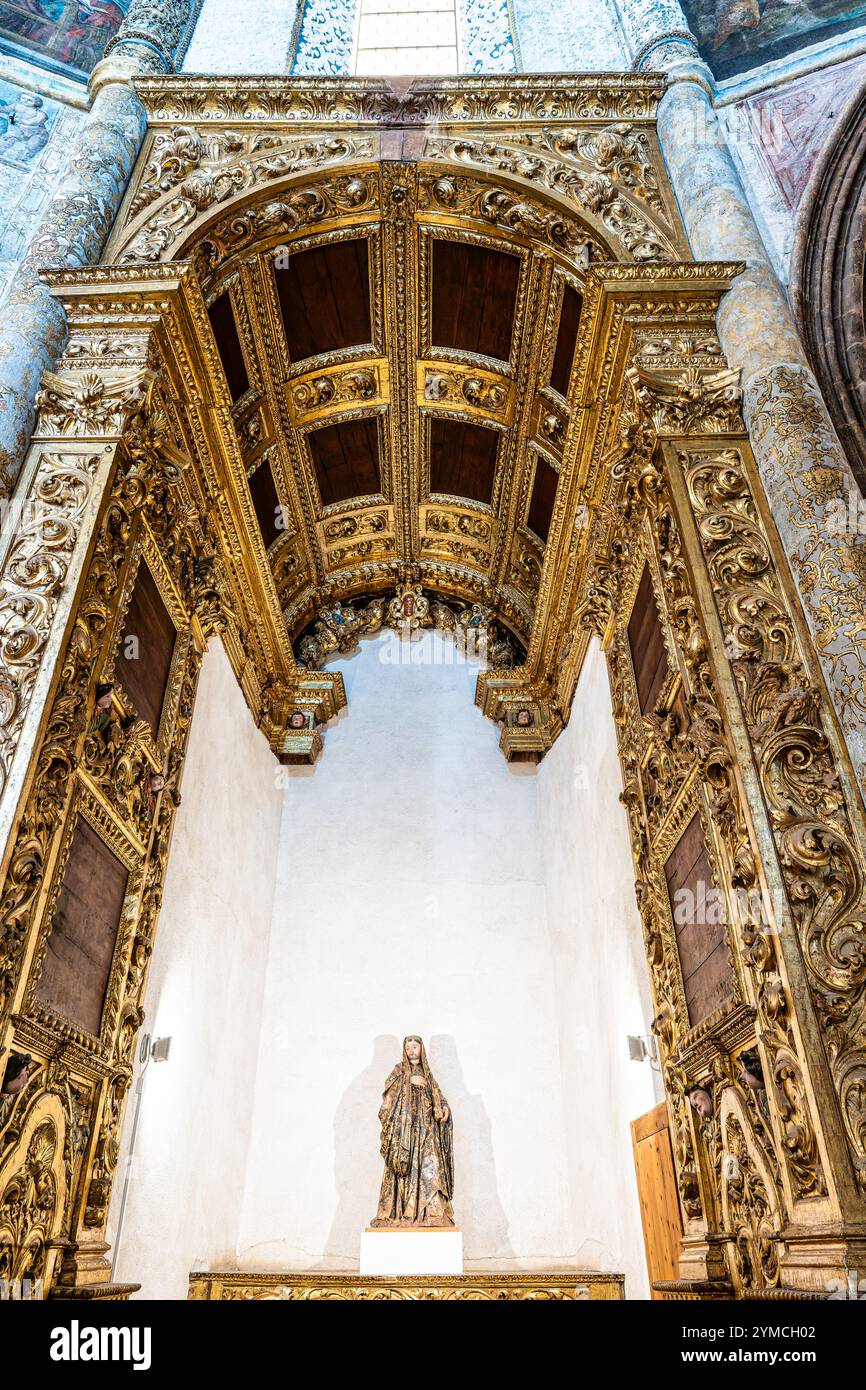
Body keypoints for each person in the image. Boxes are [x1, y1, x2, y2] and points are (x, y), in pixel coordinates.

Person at [372, 1035, 455, 1227]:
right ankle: (401, 1214)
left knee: (432, 1166)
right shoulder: (399, 1070)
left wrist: (444, 1108)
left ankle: (432, 1212)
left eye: (415, 1046)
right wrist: (408, 1080)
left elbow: (438, 1095)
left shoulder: (428, 1073)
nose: (411, 1050)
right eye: (408, 1046)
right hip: (405, 1134)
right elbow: (388, 1100)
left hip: (427, 1130)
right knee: (404, 1168)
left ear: (422, 1049)